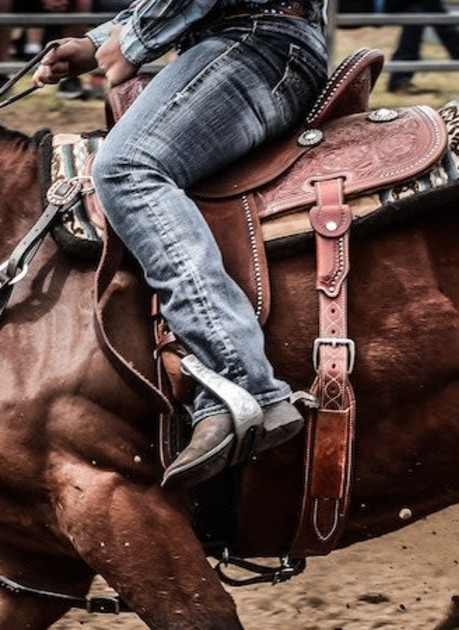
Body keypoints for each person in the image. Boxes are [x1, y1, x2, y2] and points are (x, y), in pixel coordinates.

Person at [33, 0, 329, 488]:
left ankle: (239, 375)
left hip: (254, 44)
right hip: (252, 40)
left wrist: (134, 41)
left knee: (126, 168)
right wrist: (98, 39)